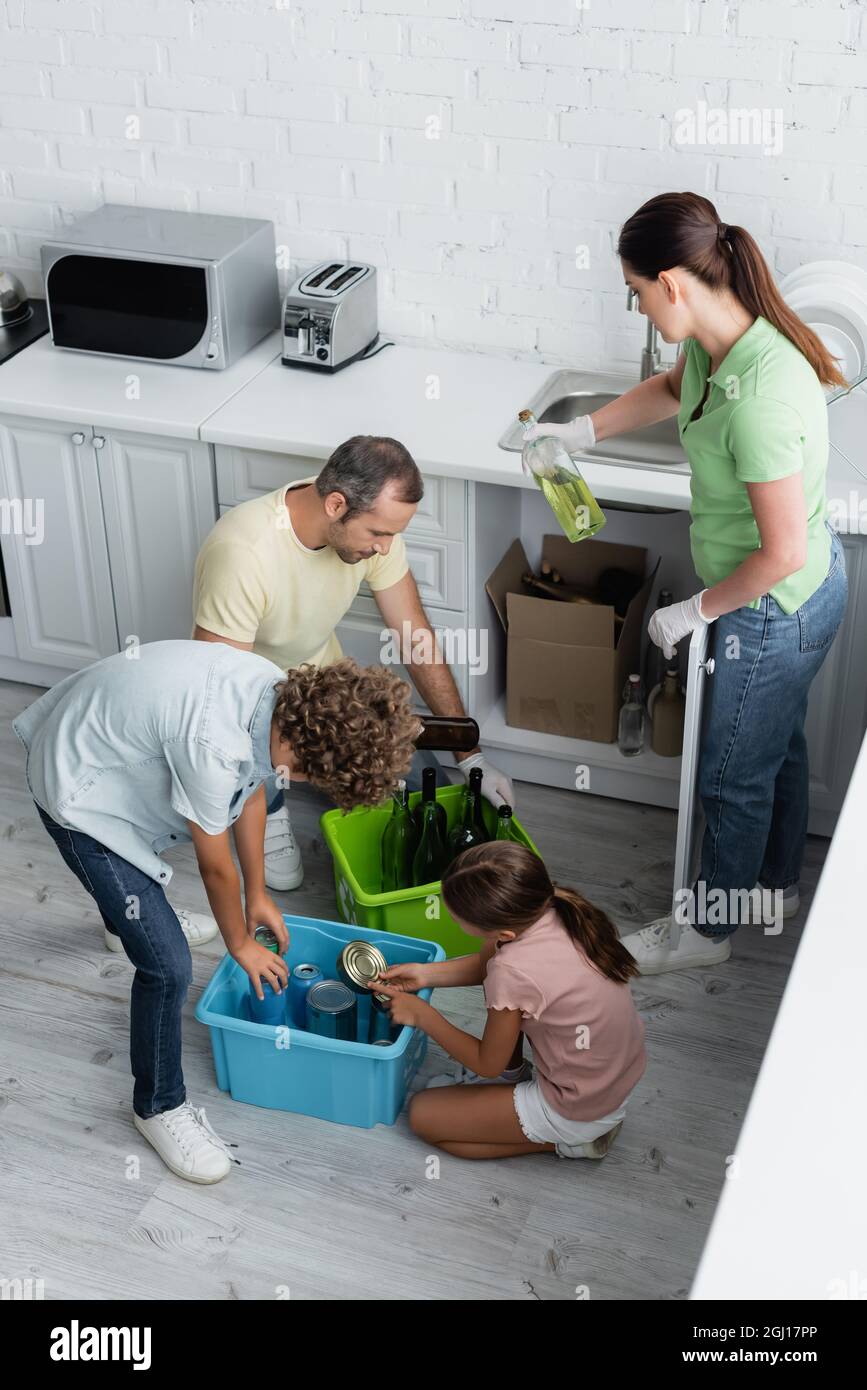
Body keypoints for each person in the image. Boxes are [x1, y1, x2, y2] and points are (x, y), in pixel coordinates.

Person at [527, 192, 848, 972]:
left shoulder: (762, 398)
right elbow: (672, 392)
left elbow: (779, 550)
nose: (636, 306)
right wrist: (582, 428)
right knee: (778, 749)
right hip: (798, 593)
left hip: (770, 605)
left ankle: (704, 933)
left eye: (635, 291)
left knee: (731, 775)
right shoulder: (725, 340)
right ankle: (772, 887)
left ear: (672, 282)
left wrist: (691, 611)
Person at [13, 641, 419, 1183]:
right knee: (169, 966)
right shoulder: (214, 743)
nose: (302, 785)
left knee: (142, 911)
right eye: (313, 778)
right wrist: (240, 943)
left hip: (102, 750)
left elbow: (250, 793)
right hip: (77, 794)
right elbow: (214, 867)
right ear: (305, 749)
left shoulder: (277, 695)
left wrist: (260, 896)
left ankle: (125, 923)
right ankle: (158, 1107)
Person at [192, 434, 513, 895]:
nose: (385, 548)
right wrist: (260, 788)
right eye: (379, 534)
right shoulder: (244, 553)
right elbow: (221, 700)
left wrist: (469, 753)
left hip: (324, 697)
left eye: (393, 535)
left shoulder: (371, 527)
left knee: (421, 788)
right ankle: (271, 800)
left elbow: (415, 638)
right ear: (336, 505)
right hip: (256, 713)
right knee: (280, 864)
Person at [372, 842, 646, 1161]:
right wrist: (425, 974)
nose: (451, 918)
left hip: (576, 1106)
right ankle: (514, 1081)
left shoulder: (512, 970)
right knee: (496, 964)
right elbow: (493, 967)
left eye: (456, 918)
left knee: (422, 1116)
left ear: (505, 932)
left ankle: (571, 1142)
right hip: (611, 1079)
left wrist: (423, 1016)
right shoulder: (554, 904)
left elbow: (489, 1064)